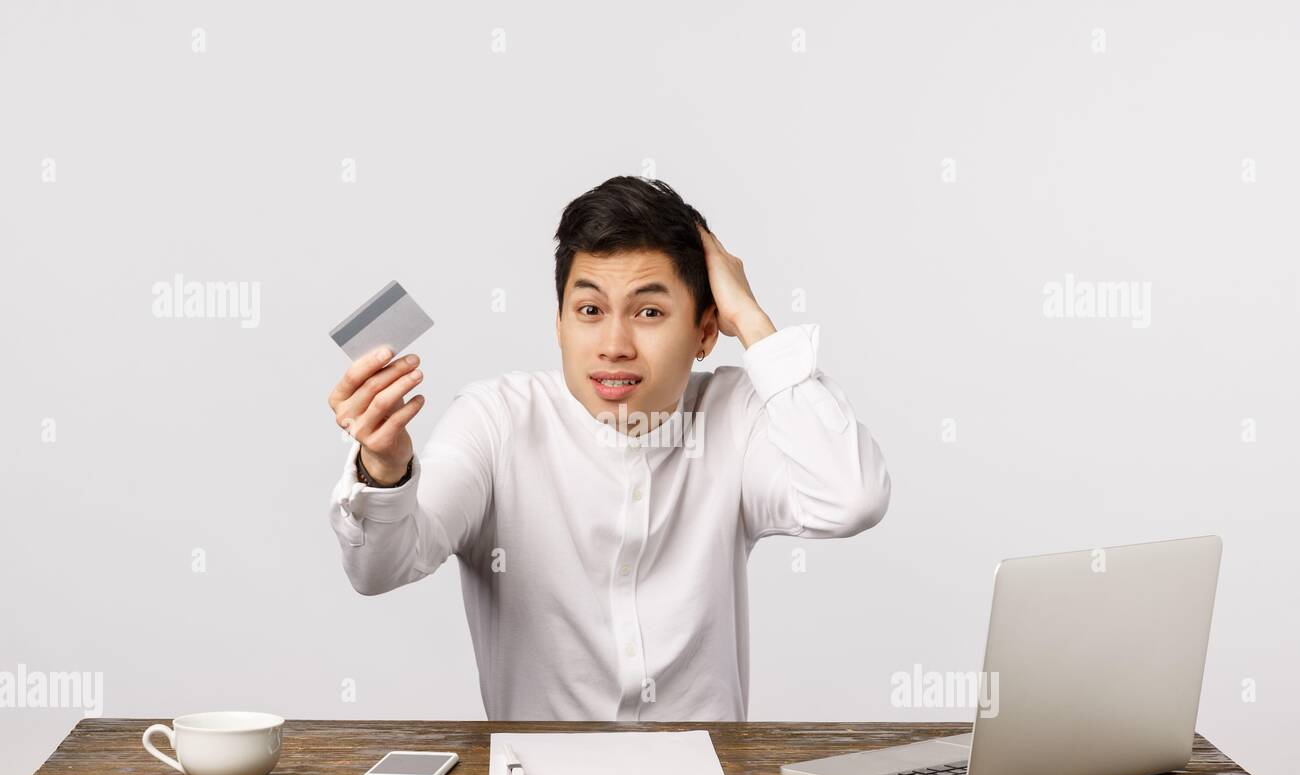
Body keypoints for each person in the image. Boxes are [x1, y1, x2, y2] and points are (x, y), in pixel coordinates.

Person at [325, 176, 891, 721]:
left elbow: (850, 499)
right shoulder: (496, 419)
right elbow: (381, 568)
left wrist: (750, 319)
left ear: (704, 332)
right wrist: (384, 467)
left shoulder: (736, 414)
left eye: (649, 312)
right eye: (590, 311)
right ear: (560, 324)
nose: (614, 346)